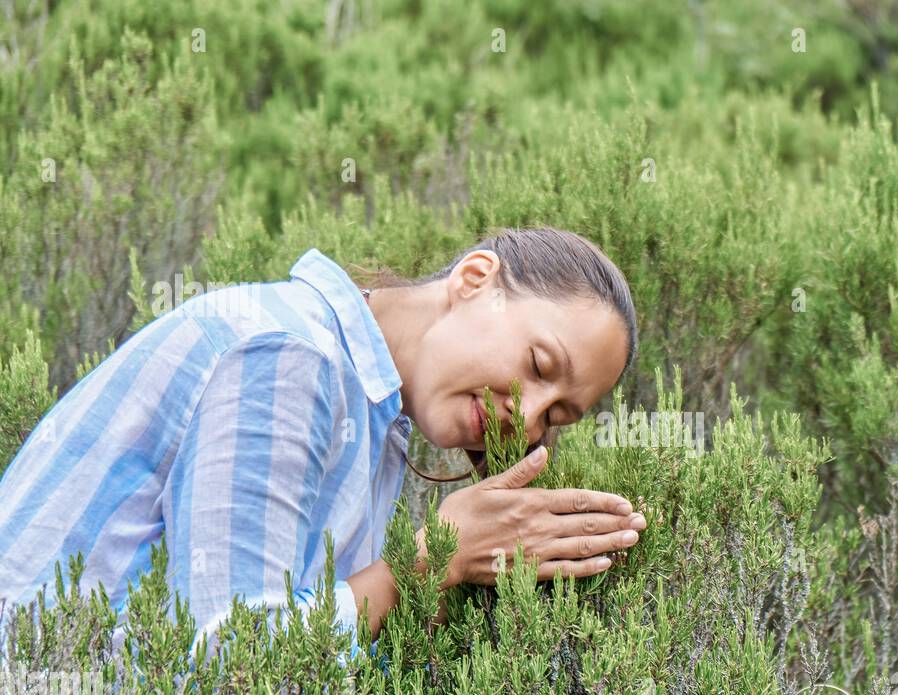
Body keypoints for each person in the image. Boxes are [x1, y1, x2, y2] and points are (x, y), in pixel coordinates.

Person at [0, 227, 647, 665]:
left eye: (558, 413)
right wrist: (432, 560)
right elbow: (235, 663)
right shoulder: (287, 358)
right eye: (538, 363)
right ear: (476, 278)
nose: (527, 415)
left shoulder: (373, 420)